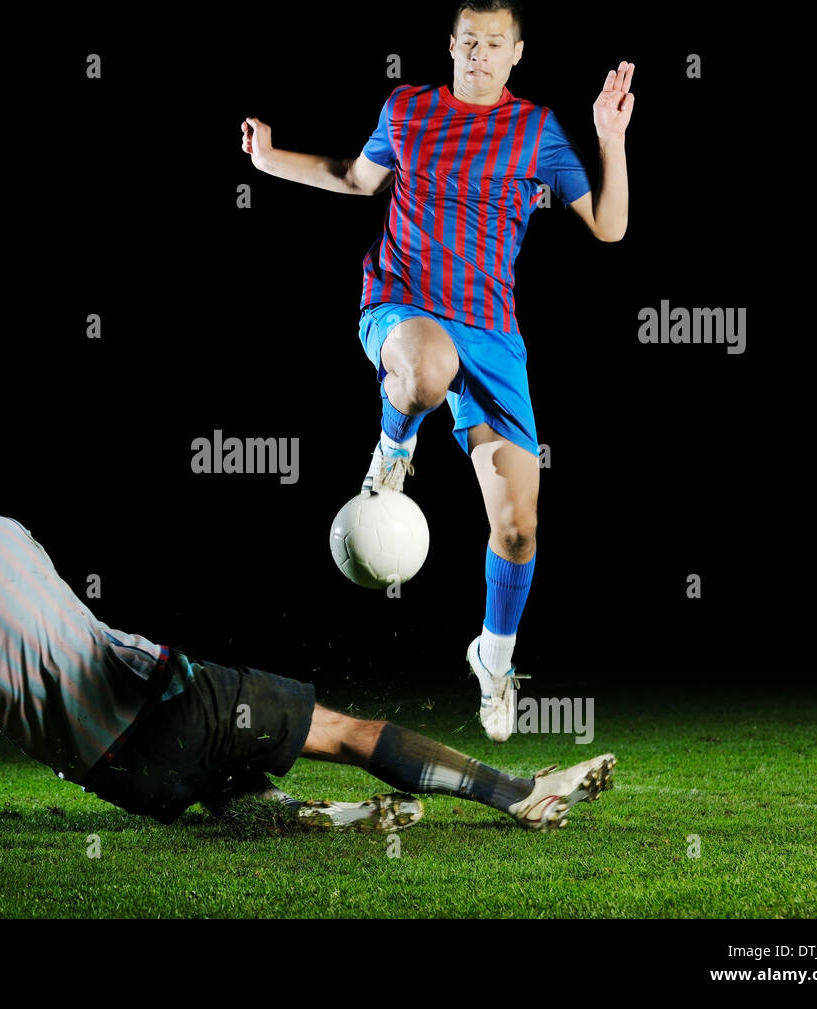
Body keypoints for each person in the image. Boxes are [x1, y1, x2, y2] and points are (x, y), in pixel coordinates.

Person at [240, 0, 633, 742]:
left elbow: (608, 226)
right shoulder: (409, 109)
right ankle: (391, 453)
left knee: (517, 527)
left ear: (516, 54)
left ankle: (494, 655)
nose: (480, 53)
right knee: (427, 362)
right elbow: (356, 179)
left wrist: (610, 138)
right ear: (451, 47)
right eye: (469, 42)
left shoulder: (539, 132)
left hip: (492, 336)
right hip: (401, 309)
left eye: (496, 44)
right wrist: (269, 159)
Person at [0, 474, 614, 837]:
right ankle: (517, 792)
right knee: (343, 730)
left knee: (210, 789)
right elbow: (40, 618)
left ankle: (330, 818)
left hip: (117, 775)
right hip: (170, 696)